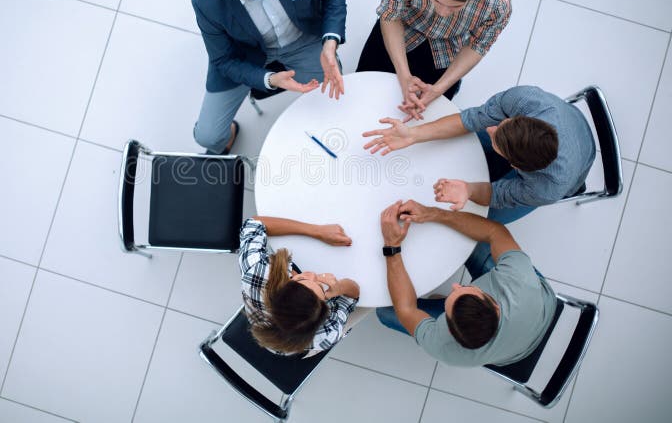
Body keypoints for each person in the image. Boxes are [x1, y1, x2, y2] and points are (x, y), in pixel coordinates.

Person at [363, 85, 596, 272]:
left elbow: (498, 194)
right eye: (502, 125)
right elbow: (473, 119)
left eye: (497, 141)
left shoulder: (546, 188)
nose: (491, 129)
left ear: (514, 166)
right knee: (472, 133)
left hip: (577, 163)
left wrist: (470, 191)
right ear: (520, 118)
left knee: (480, 219)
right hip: (568, 119)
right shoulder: (525, 99)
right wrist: (413, 135)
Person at [192, 0, 347, 154]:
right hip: (246, 56)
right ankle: (227, 138)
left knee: (332, 101)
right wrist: (270, 79)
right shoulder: (205, 3)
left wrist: (330, 43)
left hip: (302, 38)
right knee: (208, 137)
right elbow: (224, 60)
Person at [376, 200, 557, 367]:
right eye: (465, 289)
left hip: (517, 350)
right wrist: (433, 213)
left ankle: (445, 304)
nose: (455, 285)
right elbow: (495, 232)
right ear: (495, 304)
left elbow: (406, 310)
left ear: (449, 329)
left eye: (454, 294)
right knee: (469, 234)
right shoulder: (517, 279)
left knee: (385, 312)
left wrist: (391, 245)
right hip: (541, 304)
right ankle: (445, 303)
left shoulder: (444, 346)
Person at [357, 0, 511, 120]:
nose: (443, 13)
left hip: (449, 44)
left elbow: (478, 45)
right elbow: (391, 17)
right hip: (404, 27)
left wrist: (439, 89)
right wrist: (404, 75)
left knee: (429, 117)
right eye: (437, 1)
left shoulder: (499, 3)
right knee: (363, 91)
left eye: (455, 7)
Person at [239, 216, 360, 357]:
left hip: (267, 325)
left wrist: (318, 231)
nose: (313, 274)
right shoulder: (326, 335)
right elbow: (353, 295)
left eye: (300, 279)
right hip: (298, 344)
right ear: (324, 311)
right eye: (320, 287)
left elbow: (254, 224)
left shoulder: (255, 273)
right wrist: (339, 288)